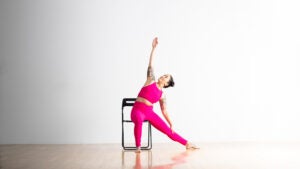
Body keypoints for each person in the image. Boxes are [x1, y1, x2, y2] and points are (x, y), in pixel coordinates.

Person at [131, 37, 199, 153]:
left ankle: (187, 143)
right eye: (164, 75)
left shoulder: (162, 95)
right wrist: (153, 48)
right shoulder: (150, 80)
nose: (163, 76)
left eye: (166, 77)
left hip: (149, 112)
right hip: (137, 110)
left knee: (168, 130)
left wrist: (171, 123)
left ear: (166, 83)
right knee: (138, 119)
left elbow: (164, 111)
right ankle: (138, 147)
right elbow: (150, 65)